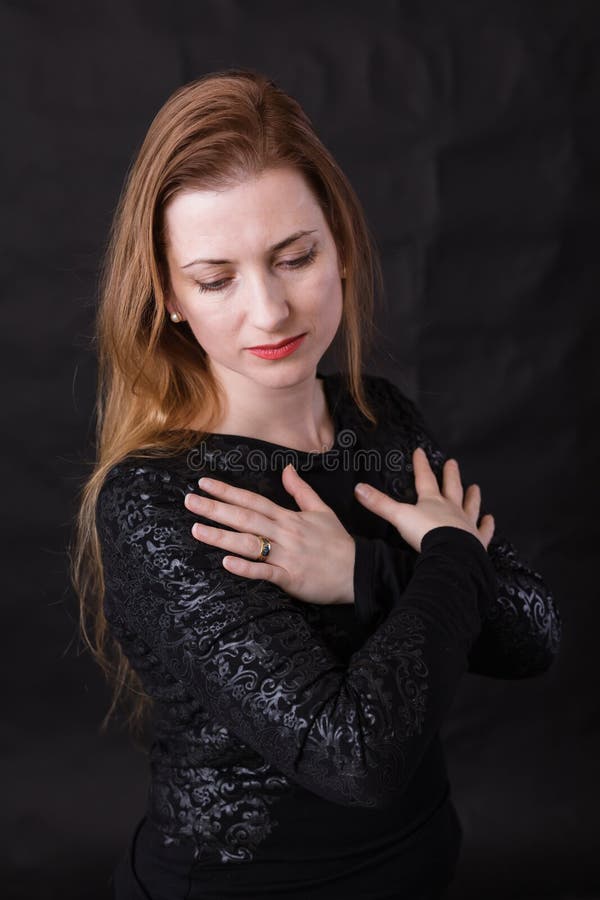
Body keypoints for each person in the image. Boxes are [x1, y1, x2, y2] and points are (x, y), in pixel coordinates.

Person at [70, 68, 561, 900]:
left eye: (294, 257)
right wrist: (441, 553)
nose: (269, 311)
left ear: (339, 245)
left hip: (422, 868)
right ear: (170, 298)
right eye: (216, 278)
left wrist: (366, 576)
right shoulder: (157, 503)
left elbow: (532, 635)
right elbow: (355, 756)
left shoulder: (380, 422)